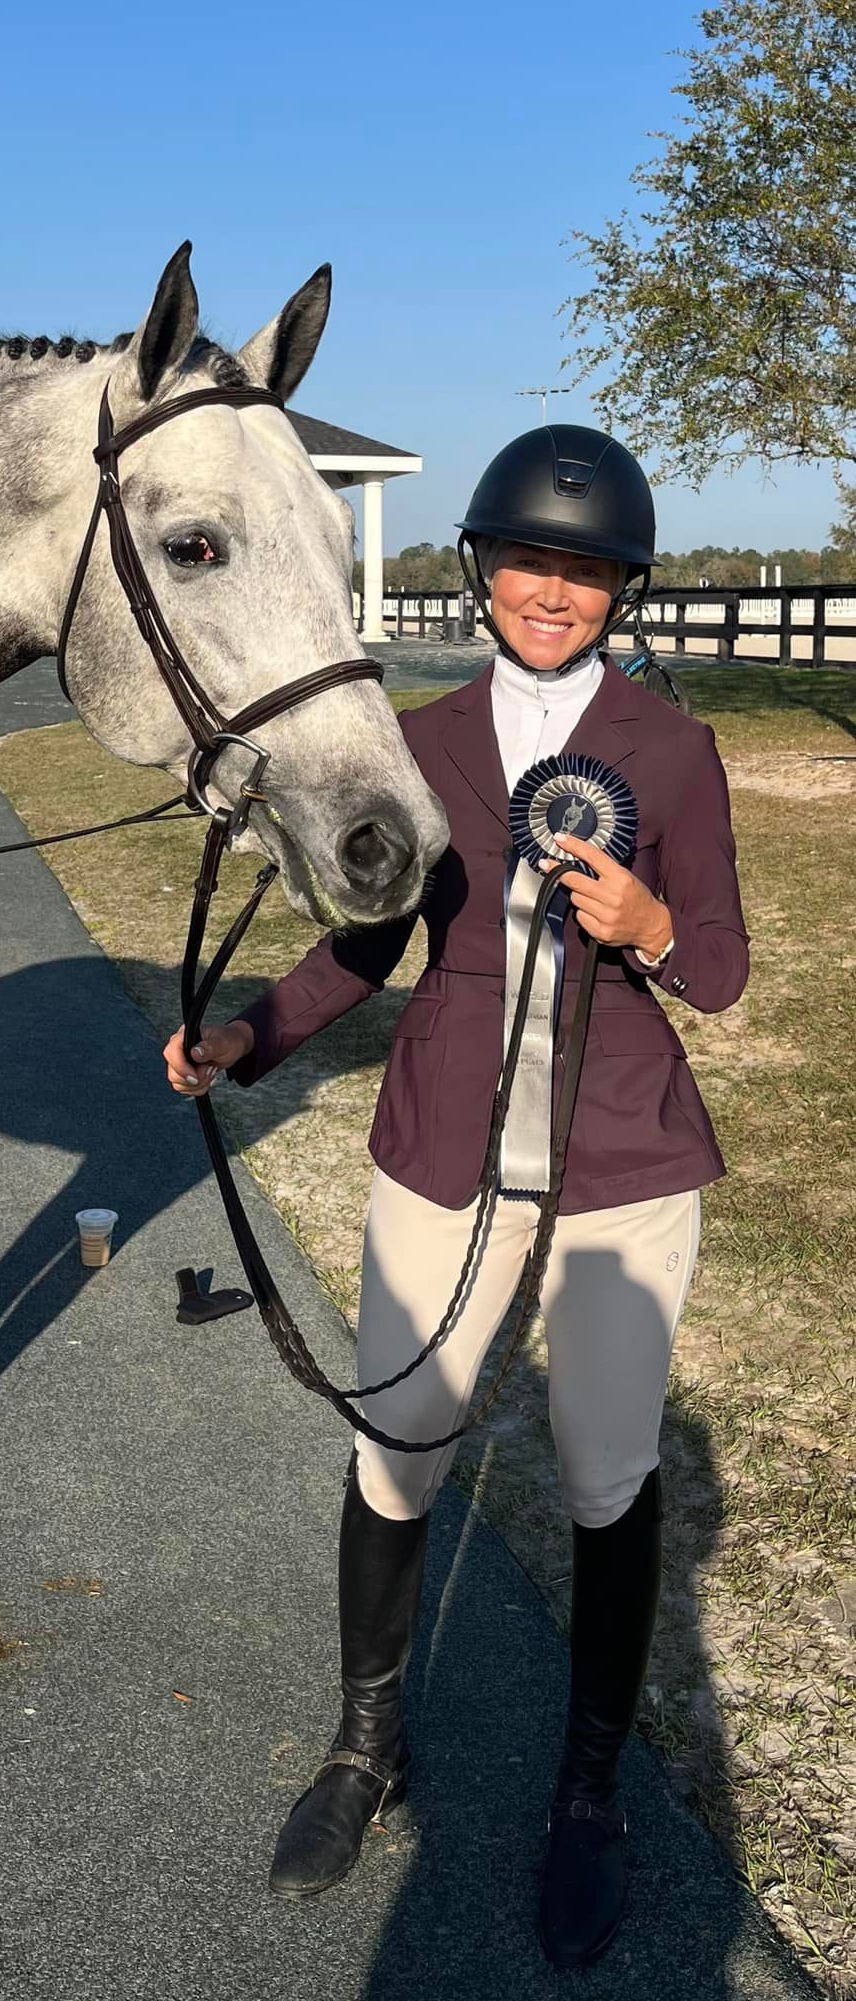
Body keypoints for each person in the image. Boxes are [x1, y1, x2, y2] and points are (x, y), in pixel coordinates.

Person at [162, 425, 748, 1968]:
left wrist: (647, 915)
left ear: (621, 585)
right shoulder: (415, 742)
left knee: (608, 1475)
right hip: (441, 1148)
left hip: (621, 1172)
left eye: (585, 569)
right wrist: (249, 1033)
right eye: (530, 562)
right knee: (397, 1448)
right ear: (486, 569)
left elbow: (728, 971)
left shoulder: (673, 750)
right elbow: (362, 946)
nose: (553, 592)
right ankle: (369, 1745)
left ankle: (590, 1791)